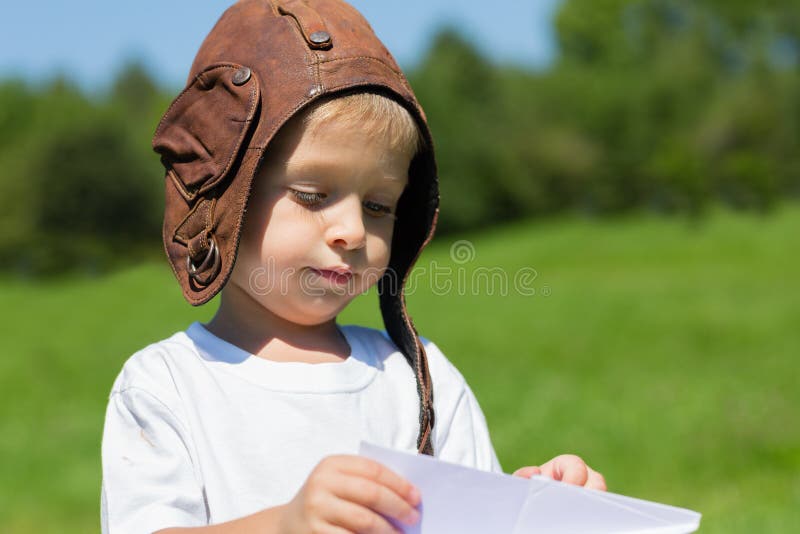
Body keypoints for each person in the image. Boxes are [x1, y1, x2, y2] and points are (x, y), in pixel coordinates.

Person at [101, 1, 606, 532]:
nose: (354, 232)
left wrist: (534, 506)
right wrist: (285, 525)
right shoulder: (166, 386)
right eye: (313, 194)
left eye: (378, 206)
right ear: (226, 195)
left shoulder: (417, 378)